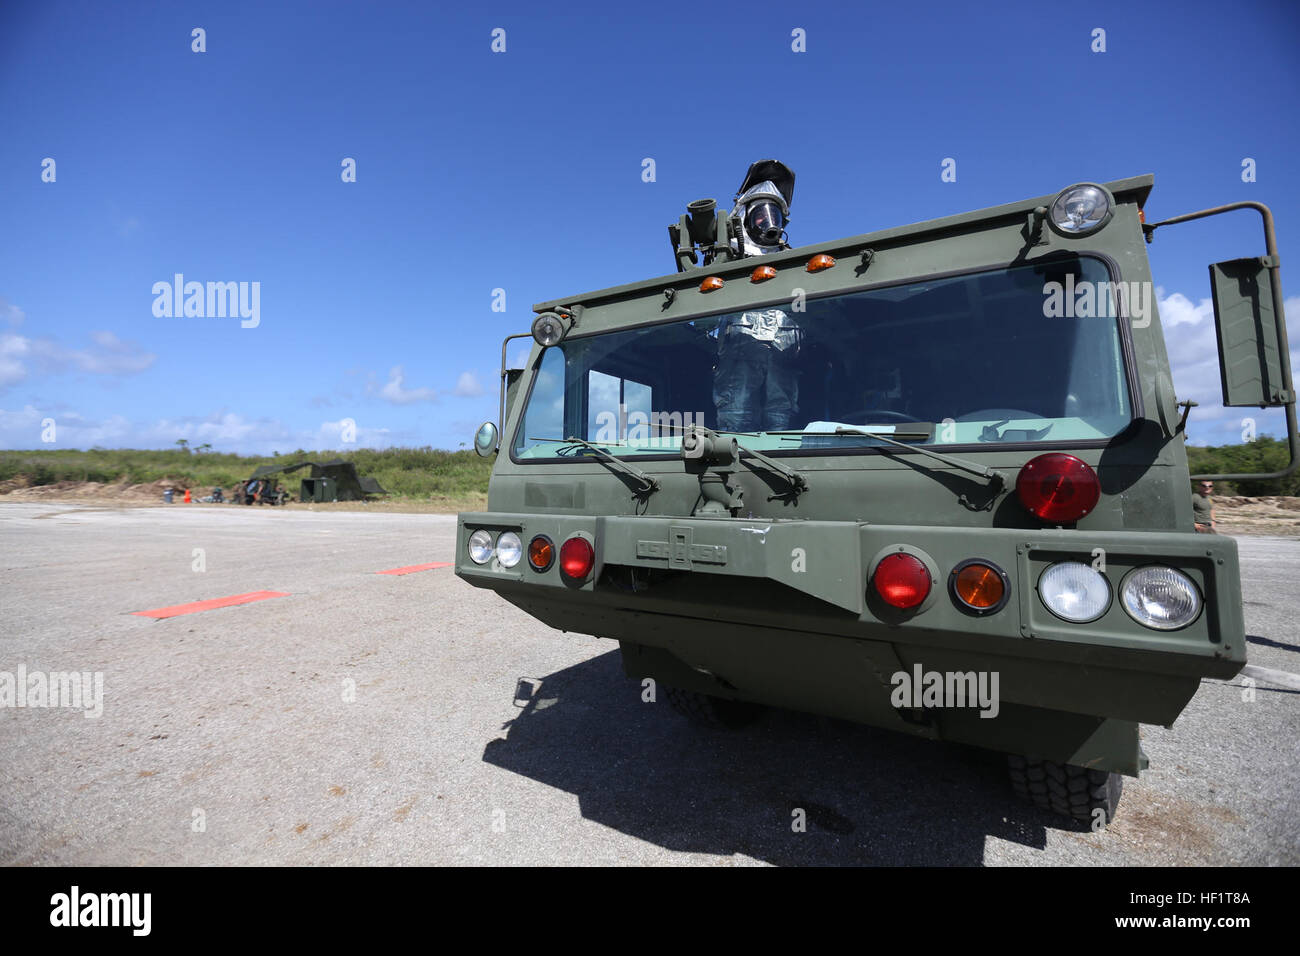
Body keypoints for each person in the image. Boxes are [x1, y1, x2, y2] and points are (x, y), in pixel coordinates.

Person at [712, 161, 803, 432]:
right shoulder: (726, 262)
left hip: (783, 352)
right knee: (736, 414)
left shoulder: (794, 264)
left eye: (773, 215)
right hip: (741, 352)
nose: (768, 222)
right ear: (746, 218)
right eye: (761, 215)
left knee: (780, 415)